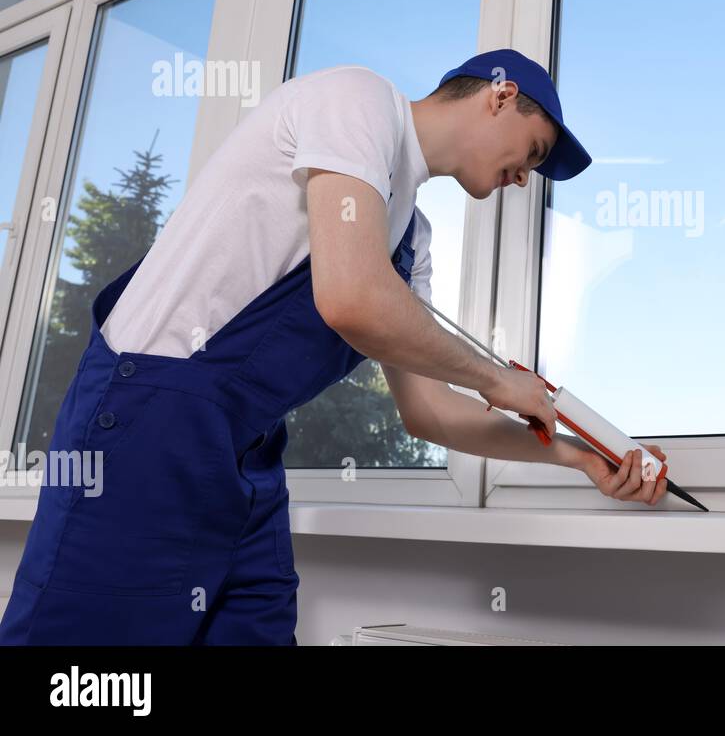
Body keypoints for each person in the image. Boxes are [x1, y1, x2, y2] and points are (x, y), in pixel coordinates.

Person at [0, 48, 667, 645]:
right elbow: (351, 298)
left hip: (244, 455)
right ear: (498, 95)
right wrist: (498, 378)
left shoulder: (410, 239)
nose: (527, 176)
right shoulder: (361, 101)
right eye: (537, 151)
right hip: (149, 423)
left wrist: (579, 457)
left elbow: (428, 412)